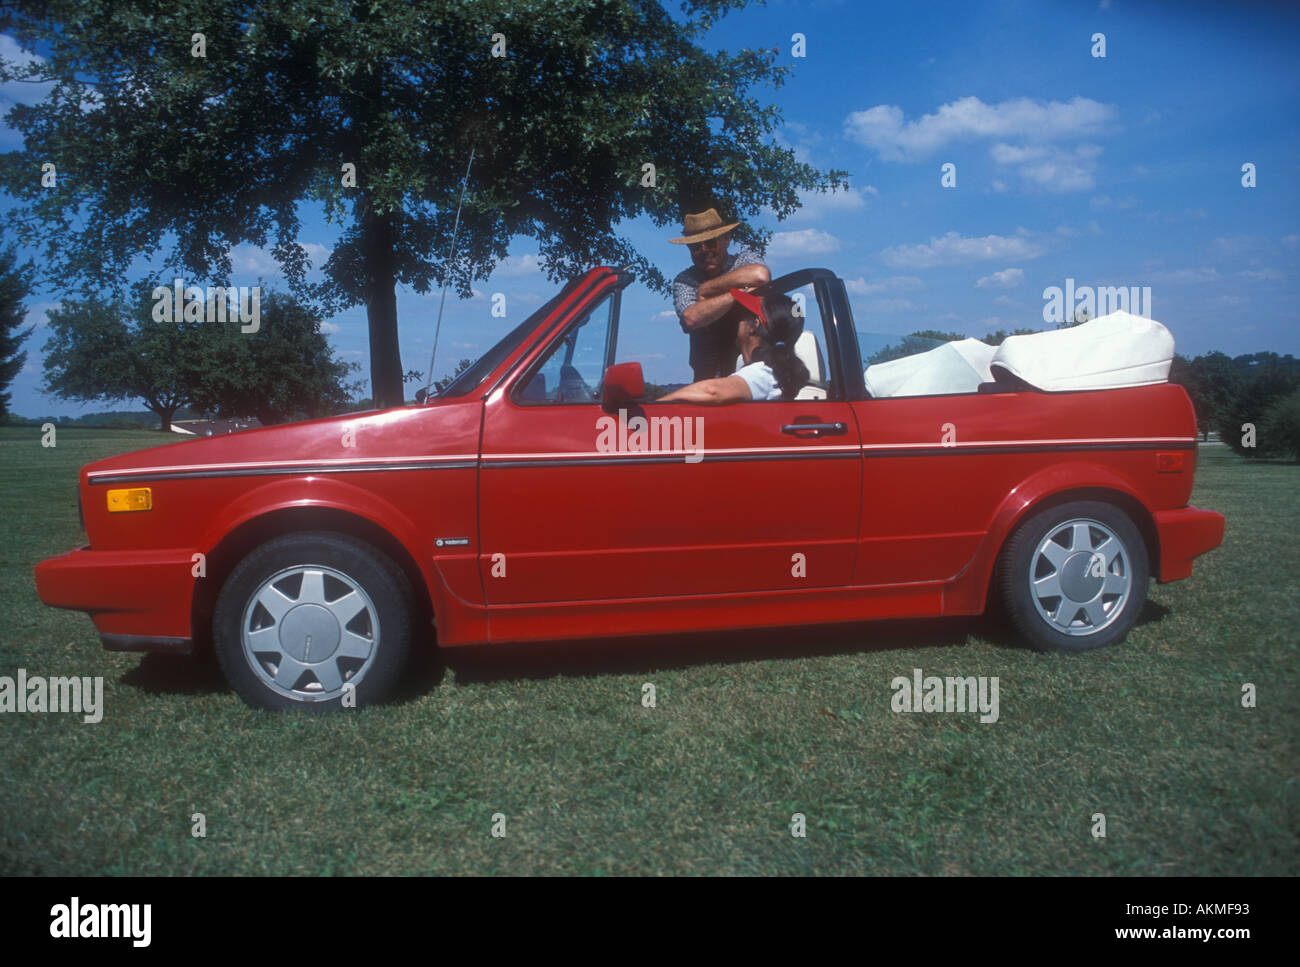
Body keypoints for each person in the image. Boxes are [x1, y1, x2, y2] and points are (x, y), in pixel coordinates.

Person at [669, 207, 771, 382]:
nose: (703, 250)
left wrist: (705, 292)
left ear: (726, 239)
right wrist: (739, 294)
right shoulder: (684, 279)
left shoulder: (745, 260)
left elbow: (760, 275)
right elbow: (692, 318)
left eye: (710, 242)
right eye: (695, 247)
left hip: (752, 375)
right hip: (708, 378)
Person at [659, 291, 808, 404]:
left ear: (754, 325)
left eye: (740, 315)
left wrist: (655, 406)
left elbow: (711, 392)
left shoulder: (762, 374)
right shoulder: (773, 373)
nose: (735, 321)